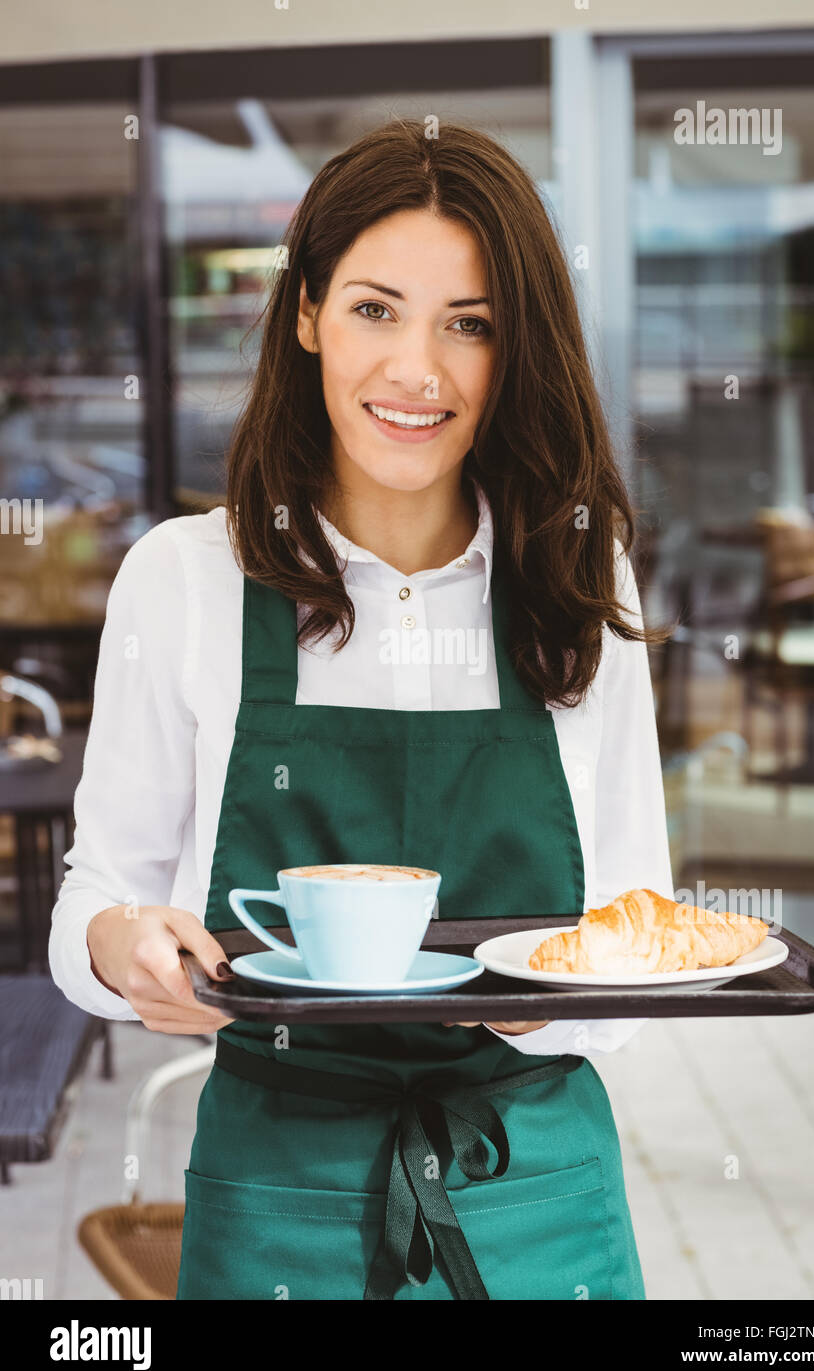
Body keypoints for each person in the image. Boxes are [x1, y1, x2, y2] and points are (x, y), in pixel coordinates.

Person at [50, 118, 673, 1300]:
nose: (416, 373)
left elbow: (626, 933)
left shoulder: (579, 582)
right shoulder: (186, 578)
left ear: (517, 348)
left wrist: (539, 1012)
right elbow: (93, 898)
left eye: (470, 324)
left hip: (533, 1189)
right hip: (275, 1191)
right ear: (305, 315)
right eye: (375, 309)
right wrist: (123, 949)